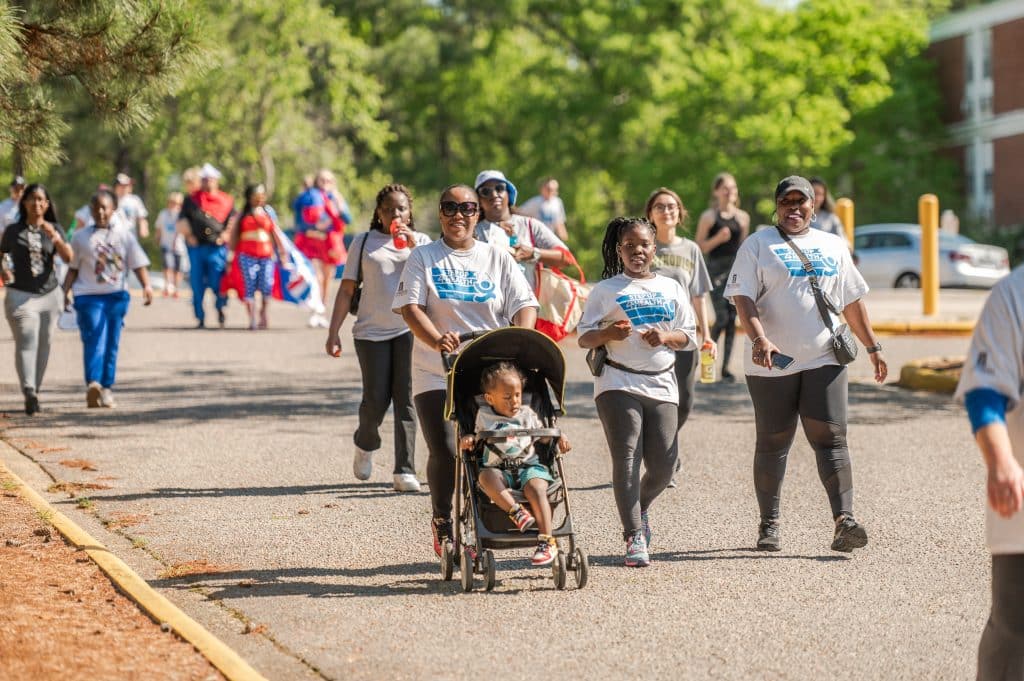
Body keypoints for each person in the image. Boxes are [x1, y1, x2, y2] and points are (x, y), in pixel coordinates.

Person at [724, 175, 887, 553]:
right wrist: (758, 338)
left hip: (824, 357)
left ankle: (844, 521)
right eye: (786, 202)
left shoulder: (832, 245)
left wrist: (873, 345)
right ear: (776, 207)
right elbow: (742, 298)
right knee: (773, 441)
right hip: (772, 361)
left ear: (814, 206)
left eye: (802, 202)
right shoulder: (758, 245)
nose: (793, 208)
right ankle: (769, 524)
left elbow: (852, 301)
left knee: (831, 439)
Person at [393, 184, 537, 557]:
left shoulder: (497, 257)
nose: (459, 214)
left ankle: (485, 518)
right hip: (436, 370)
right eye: (450, 207)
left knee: (489, 449)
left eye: (468, 208)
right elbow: (411, 308)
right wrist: (437, 338)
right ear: (440, 213)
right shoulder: (423, 257)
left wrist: (521, 338)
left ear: (478, 214)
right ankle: (443, 522)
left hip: (488, 370)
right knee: (445, 449)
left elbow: (525, 303)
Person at [577, 216, 696, 567]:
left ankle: (640, 508)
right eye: (629, 246)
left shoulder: (672, 287)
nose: (637, 252)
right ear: (619, 250)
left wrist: (666, 337)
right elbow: (584, 336)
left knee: (664, 465)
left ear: (653, 248)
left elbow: (690, 337)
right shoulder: (606, 290)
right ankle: (633, 537)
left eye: (643, 245)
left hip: (661, 381)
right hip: (617, 381)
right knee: (627, 455)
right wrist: (608, 334)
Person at [326, 184, 430, 493]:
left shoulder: (423, 243)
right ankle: (365, 442)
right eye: (388, 209)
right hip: (371, 332)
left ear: (409, 212)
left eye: (401, 208)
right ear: (379, 213)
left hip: (409, 330)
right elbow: (347, 289)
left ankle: (404, 470)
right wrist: (333, 332)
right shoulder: (364, 242)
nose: (395, 214)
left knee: (406, 398)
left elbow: (436, 285)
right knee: (375, 401)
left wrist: (415, 249)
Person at [955, 267, 1024, 680]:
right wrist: (1001, 462)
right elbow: (984, 389)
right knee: (1014, 624)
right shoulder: (1013, 295)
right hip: (1021, 492)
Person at [458, 362, 571, 566]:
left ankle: (547, 541)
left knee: (537, 487)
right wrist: (468, 438)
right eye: (507, 397)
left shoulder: (527, 414)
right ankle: (516, 511)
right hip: (498, 469)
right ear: (490, 398)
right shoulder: (484, 415)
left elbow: (544, 438)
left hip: (530, 467)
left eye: (518, 395)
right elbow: (475, 439)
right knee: (485, 476)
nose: (514, 401)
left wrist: (558, 436)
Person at [646, 187, 715, 488]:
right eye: (660, 206)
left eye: (672, 206)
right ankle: (665, 459)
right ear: (650, 214)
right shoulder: (644, 247)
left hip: (684, 336)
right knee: (659, 401)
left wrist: (707, 334)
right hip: (652, 338)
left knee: (684, 402)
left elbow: (698, 295)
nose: (667, 211)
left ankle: (666, 447)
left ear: (680, 212)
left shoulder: (690, 250)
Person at [62, 189, 153, 408]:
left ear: (114, 209)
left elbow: (137, 262)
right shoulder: (81, 237)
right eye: (96, 208)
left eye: (105, 207)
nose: (101, 212)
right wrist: (64, 291)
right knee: (94, 337)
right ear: (90, 210)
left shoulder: (124, 234)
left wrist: (147, 286)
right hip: (88, 295)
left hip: (116, 296)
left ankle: (107, 388)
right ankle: (93, 382)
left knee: (112, 342)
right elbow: (73, 269)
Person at [0, 184, 72, 414]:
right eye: (31, 199)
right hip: (20, 296)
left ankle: (35, 392)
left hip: (50, 295)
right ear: (24, 203)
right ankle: (28, 389)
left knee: (45, 344)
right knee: (27, 340)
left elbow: (69, 257)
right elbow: (1, 254)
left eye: (41, 199)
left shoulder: (54, 228)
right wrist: (3, 272)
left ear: (47, 204)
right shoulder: (13, 231)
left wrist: (55, 237)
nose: (36, 204)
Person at [696, 172, 750, 382]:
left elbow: (743, 248)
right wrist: (718, 238)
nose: (730, 192)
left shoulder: (743, 217)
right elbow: (699, 246)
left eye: (733, 188)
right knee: (721, 317)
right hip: (715, 270)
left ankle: (725, 368)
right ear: (717, 191)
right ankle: (708, 359)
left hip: (735, 271)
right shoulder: (709, 217)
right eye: (725, 188)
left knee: (731, 320)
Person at [177, 163, 234, 329]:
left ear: (216, 181)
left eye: (210, 179)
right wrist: (188, 235)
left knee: (219, 282)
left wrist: (226, 235)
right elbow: (182, 220)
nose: (207, 182)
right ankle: (200, 317)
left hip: (217, 249)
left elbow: (232, 221)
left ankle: (220, 308)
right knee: (197, 284)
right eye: (204, 179)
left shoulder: (226, 200)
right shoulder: (191, 200)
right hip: (197, 248)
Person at [293, 169, 351, 328]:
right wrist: (314, 225)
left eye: (329, 180)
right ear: (317, 181)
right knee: (315, 276)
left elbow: (347, 218)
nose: (325, 184)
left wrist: (339, 204)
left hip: (330, 243)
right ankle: (315, 310)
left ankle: (321, 311)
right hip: (312, 241)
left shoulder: (336, 198)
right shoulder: (311, 197)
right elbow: (300, 218)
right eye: (322, 180)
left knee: (327, 278)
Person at [226, 184, 286, 330]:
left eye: (262, 195)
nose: (259, 198)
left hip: (266, 255)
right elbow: (234, 236)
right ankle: (252, 317)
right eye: (256, 195)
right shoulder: (242, 214)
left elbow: (275, 233)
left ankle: (263, 313)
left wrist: (282, 252)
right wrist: (230, 255)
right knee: (249, 284)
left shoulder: (267, 213)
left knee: (266, 284)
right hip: (247, 255)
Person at [517, 176, 568, 241]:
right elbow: (519, 213)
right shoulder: (536, 202)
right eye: (548, 189)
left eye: (554, 189)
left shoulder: (557, 202)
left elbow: (559, 223)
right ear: (542, 189)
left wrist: (563, 238)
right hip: (535, 237)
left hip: (550, 238)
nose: (551, 192)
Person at [156, 192, 185, 297]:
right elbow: (158, 227)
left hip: (179, 246)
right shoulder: (163, 214)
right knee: (167, 266)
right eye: (173, 203)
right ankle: (167, 286)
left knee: (178, 269)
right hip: (166, 244)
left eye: (178, 203)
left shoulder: (182, 215)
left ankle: (176, 288)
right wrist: (157, 238)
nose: (175, 205)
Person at [809, 177, 848, 247]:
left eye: (820, 194)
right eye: (814, 193)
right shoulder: (796, 217)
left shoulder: (831, 218)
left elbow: (844, 242)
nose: (816, 198)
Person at [113, 173, 149, 239]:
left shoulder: (135, 200)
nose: (127, 187)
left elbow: (142, 217)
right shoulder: (110, 200)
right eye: (124, 185)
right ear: (117, 186)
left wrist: (143, 227)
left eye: (128, 185)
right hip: (114, 238)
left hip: (130, 237)